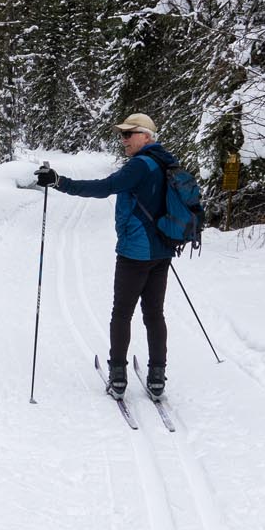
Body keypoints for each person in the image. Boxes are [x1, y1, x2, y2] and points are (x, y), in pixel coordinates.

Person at [35, 114, 177, 401]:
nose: (123, 140)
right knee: (154, 314)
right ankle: (157, 377)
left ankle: (119, 376)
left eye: (129, 134)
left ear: (147, 136)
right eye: (121, 135)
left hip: (135, 252)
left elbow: (104, 188)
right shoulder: (166, 161)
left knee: (122, 313)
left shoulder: (140, 165)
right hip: (162, 250)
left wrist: (59, 181)